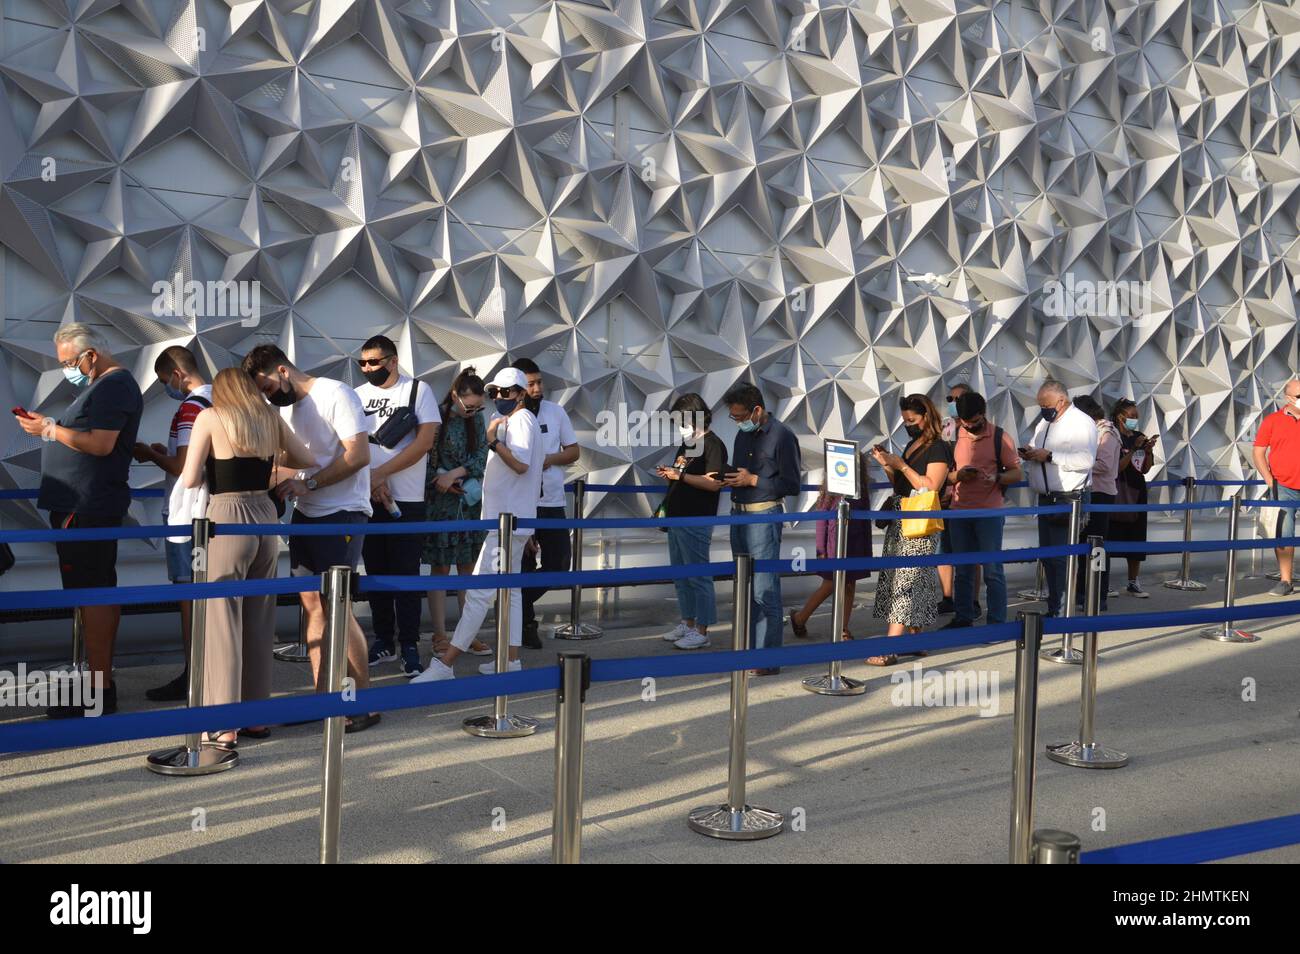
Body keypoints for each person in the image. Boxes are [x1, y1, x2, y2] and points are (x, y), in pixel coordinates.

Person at [241, 344, 379, 733]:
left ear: (282, 370)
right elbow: (296, 460)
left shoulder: (336, 393)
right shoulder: (284, 409)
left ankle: (358, 703)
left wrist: (311, 483)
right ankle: (324, 699)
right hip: (308, 516)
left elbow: (359, 455)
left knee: (339, 608)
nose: (266, 395)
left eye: (266, 386)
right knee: (313, 608)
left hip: (344, 513)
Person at [178, 368, 314, 748]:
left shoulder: (211, 416)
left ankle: (223, 722)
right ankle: (255, 715)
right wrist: (275, 473)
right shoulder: (270, 416)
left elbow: (189, 479)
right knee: (259, 616)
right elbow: (307, 457)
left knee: (220, 619)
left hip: (227, 515)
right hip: (266, 519)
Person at [16, 323, 142, 717]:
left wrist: (51, 429)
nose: (68, 369)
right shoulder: (104, 386)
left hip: (85, 506)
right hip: (85, 504)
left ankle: (99, 690)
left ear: (91, 354)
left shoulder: (111, 386)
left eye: (70, 362)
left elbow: (101, 444)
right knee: (97, 591)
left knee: (92, 594)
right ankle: (99, 683)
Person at [413, 367, 544, 682]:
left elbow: (522, 465)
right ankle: (510, 661)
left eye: (506, 392)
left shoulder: (521, 421)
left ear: (521, 393)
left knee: (479, 592)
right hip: (510, 522)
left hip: (506, 524)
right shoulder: (517, 421)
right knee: (508, 592)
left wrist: (491, 442)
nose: (499, 397)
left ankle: (446, 664)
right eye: (495, 392)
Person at [354, 335, 441, 677]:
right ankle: (384, 640)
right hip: (368, 497)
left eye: (373, 362)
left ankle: (408, 644)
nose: (367, 369)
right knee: (375, 573)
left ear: (392, 361)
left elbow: (424, 442)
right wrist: (371, 481)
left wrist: (381, 474)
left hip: (407, 499)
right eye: (362, 363)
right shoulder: (357, 396)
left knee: (405, 576)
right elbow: (350, 442)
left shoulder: (418, 391)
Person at [131, 346, 212, 702]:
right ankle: (209, 672)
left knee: (189, 598)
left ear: (177, 375)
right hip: (210, 511)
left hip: (187, 515)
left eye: (166, 381)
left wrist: (150, 455)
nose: (168, 387)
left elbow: (184, 469)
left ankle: (194, 676)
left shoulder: (191, 408)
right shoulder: (219, 401)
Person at [718, 382, 802, 676]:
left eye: (740, 416)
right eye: (733, 418)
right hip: (737, 514)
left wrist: (754, 481)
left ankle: (767, 658)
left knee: (765, 587)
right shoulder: (743, 438)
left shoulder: (783, 436)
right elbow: (741, 473)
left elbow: (792, 485)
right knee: (744, 586)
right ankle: (746, 649)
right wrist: (725, 476)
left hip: (764, 516)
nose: (737, 422)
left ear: (757, 409)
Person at [868, 394, 952, 664]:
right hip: (902, 514)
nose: (908, 424)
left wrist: (901, 464)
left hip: (919, 520)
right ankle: (916, 638)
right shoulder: (912, 444)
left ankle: (890, 647)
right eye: (904, 420)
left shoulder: (939, 447)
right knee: (915, 578)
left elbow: (930, 486)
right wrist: (888, 465)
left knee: (906, 579)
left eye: (912, 420)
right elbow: (904, 484)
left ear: (926, 416)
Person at [423, 368, 492, 657]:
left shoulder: (476, 420)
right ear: (455, 396)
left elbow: (482, 455)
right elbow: (423, 456)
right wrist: (441, 480)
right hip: (440, 502)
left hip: (469, 500)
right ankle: (439, 636)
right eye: (469, 406)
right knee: (440, 568)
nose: (474, 411)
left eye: (479, 406)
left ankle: (465, 635)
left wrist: (456, 474)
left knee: (467, 568)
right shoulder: (435, 417)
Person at [515, 357, 579, 649]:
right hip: (521, 503)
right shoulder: (508, 417)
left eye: (539, 382)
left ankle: (512, 600)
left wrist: (547, 460)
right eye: (530, 384)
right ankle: (524, 626)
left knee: (559, 563)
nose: (537, 388)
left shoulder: (556, 412)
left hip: (552, 501)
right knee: (524, 566)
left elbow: (574, 451)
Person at [943, 390, 1021, 629]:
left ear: (983, 414)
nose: (970, 427)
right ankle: (963, 616)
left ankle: (996, 622)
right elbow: (942, 473)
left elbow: (1017, 472)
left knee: (992, 570)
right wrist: (958, 476)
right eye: (965, 423)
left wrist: (997, 477)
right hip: (959, 511)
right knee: (963, 569)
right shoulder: (952, 435)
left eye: (975, 422)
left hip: (990, 512)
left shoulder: (1000, 437)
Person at [655, 393, 726, 650]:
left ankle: (702, 629)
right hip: (677, 516)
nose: (679, 425)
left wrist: (681, 477)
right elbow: (683, 473)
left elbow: (714, 483)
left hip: (697, 518)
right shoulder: (687, 444)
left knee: (698, 575)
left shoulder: (713, 444)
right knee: (681, 575)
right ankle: (688, 621)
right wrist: (671, 475)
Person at [1020, 380, 1098, 617]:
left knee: (1061, 558)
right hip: (1047, 498)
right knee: (1048, 556)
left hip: (1069, 498)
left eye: (1046, 404)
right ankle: (1056, 606)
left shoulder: (1081, 422)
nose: (1043, 409)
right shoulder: (1045, 423)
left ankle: (1063, 610)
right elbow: (1037, 446)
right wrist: (1031, 452)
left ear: (1061, 401)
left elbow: (1086, 460)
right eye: (1040, 405)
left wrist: (1050, 456)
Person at [787, 463, 872, 641]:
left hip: (855, 546)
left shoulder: (861, 491)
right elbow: (821, 523)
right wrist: (821, 551)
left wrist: (866, 552)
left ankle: (843, 628)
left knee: (849, 586)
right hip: (834, 547)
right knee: (829, 585)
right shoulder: (830, 492)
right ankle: (800, 618)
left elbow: (865, 522)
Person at [1252, 379, 1300, 596]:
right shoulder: (1272, 421)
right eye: (1299, 396)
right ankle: (1286, 580)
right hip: (1284, 486)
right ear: (1288, 397)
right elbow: (1259, 451)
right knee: (1283, 533)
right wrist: (1270, 481)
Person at [1073, 395, 1119, 611]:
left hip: (1101, 494)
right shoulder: (1093, 432)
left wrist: (1076, 463)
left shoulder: (1106, 433)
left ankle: (1099, 594)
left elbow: (1105, 465)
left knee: (1097, 546)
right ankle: (1083, 592)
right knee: (1085, 545)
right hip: (1089, 492)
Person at [1109, 399, 1155, 597]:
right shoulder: (1112, 437)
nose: (1135, 420)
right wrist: (1134, 449)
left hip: (1137, 492)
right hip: (1117, 491)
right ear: (1120, 417)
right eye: (1132, 416)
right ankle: (1104, 582)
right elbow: (1116, 467)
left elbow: (1145, 468)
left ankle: (1133, 581)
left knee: (1136, 536)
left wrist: (1148, 450)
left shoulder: (1139, 437)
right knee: (1109, 537)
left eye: (1137, 416)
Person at [937, 381, 971, 614]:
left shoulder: (976, 428)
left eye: (957, 399)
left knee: (968, 554)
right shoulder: (946, 426)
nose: (953, 404)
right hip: (945, 498)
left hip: (967, 499)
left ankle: (971, 601)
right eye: (950, 399)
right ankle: (947, 597)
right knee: (943, 550)